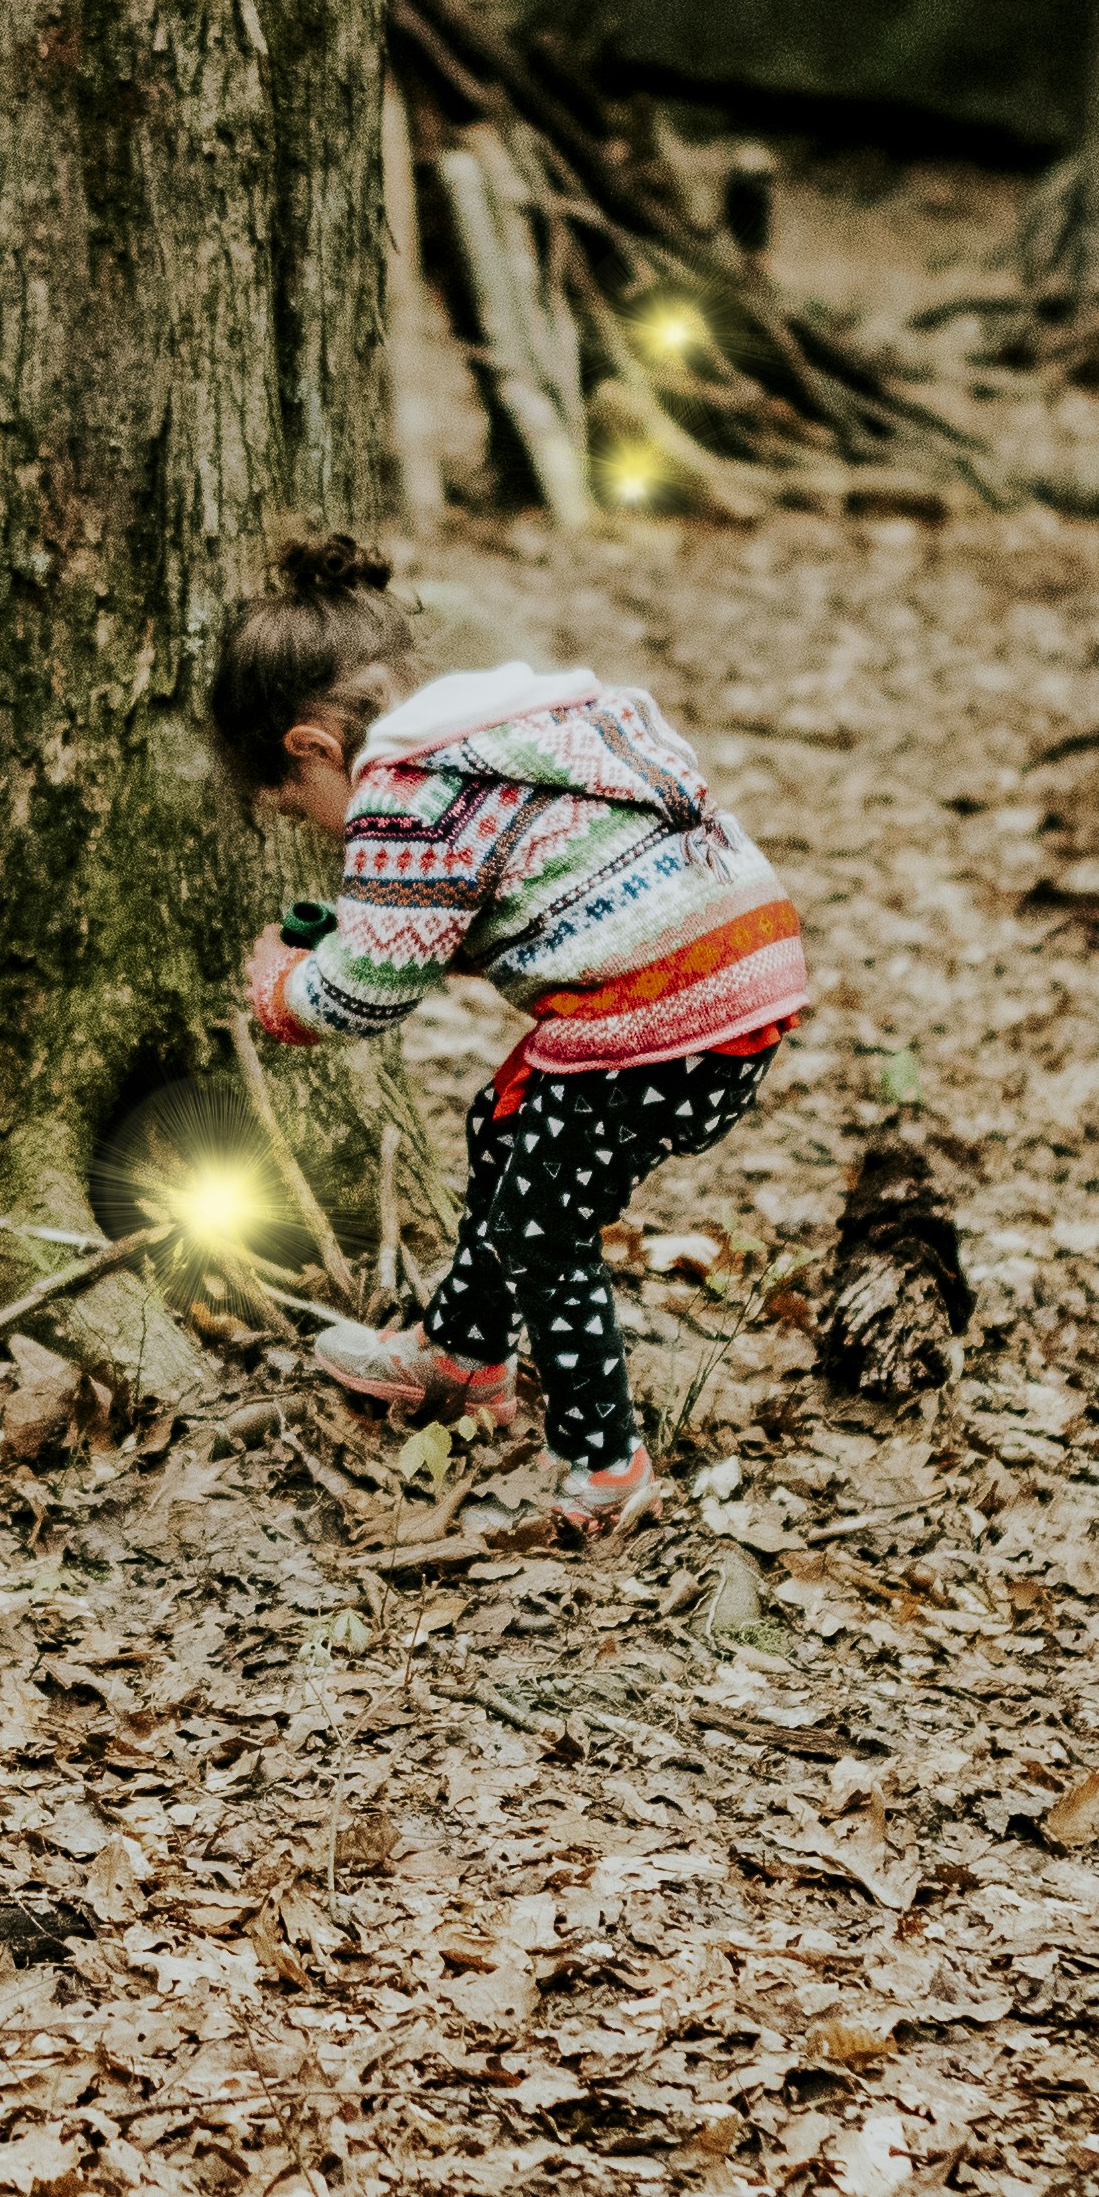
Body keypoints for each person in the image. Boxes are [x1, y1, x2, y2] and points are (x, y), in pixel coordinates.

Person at [210, 533, 808, 1541]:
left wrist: (281, 989)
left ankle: (604, 1468)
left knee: (545, 1229)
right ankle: (461, 1352)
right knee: (506, 1122)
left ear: (312, 748)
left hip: (655, 1016)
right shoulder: (514, 732)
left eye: (293, 806)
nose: (312, 826)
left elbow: (363, 997)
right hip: (735, 977)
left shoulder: (402, 786)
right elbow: (533, 892)